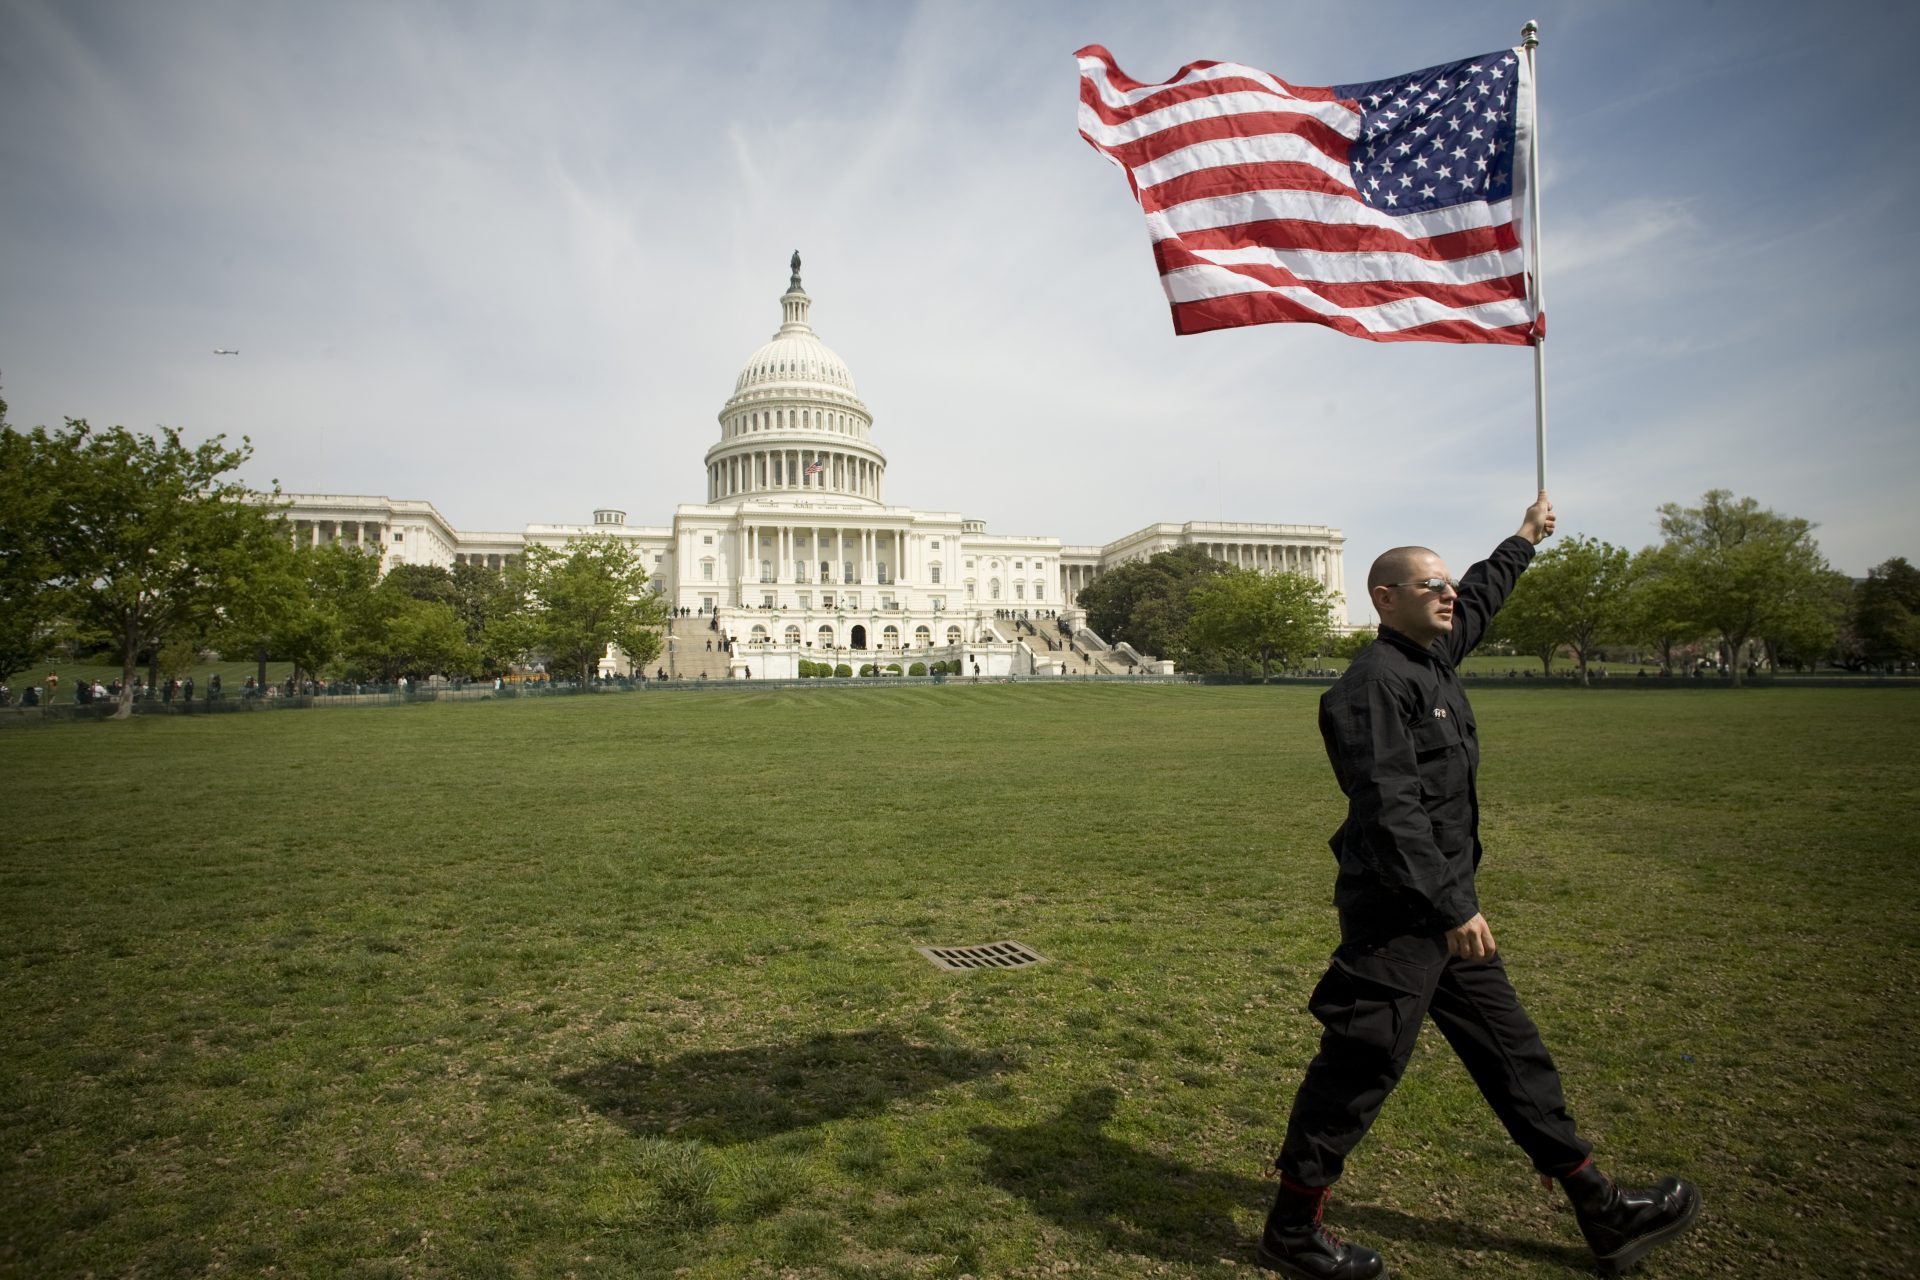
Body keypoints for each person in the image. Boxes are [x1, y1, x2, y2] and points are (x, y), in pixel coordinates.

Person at [1257, 494, 1700, 1280]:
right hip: (1401, 917)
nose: (1447, 593)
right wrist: (1452, 904)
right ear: (1384, 599)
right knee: (1359, 1066)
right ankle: (1293, 1228)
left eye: (1447, 585)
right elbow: (1389, 809)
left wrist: (1523, 539)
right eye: (1430, 586)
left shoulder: (1432, 660)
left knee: (1514, 1056)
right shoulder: (1371, 684)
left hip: (1451, 916)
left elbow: (1484, 592)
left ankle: (1600, 1208)